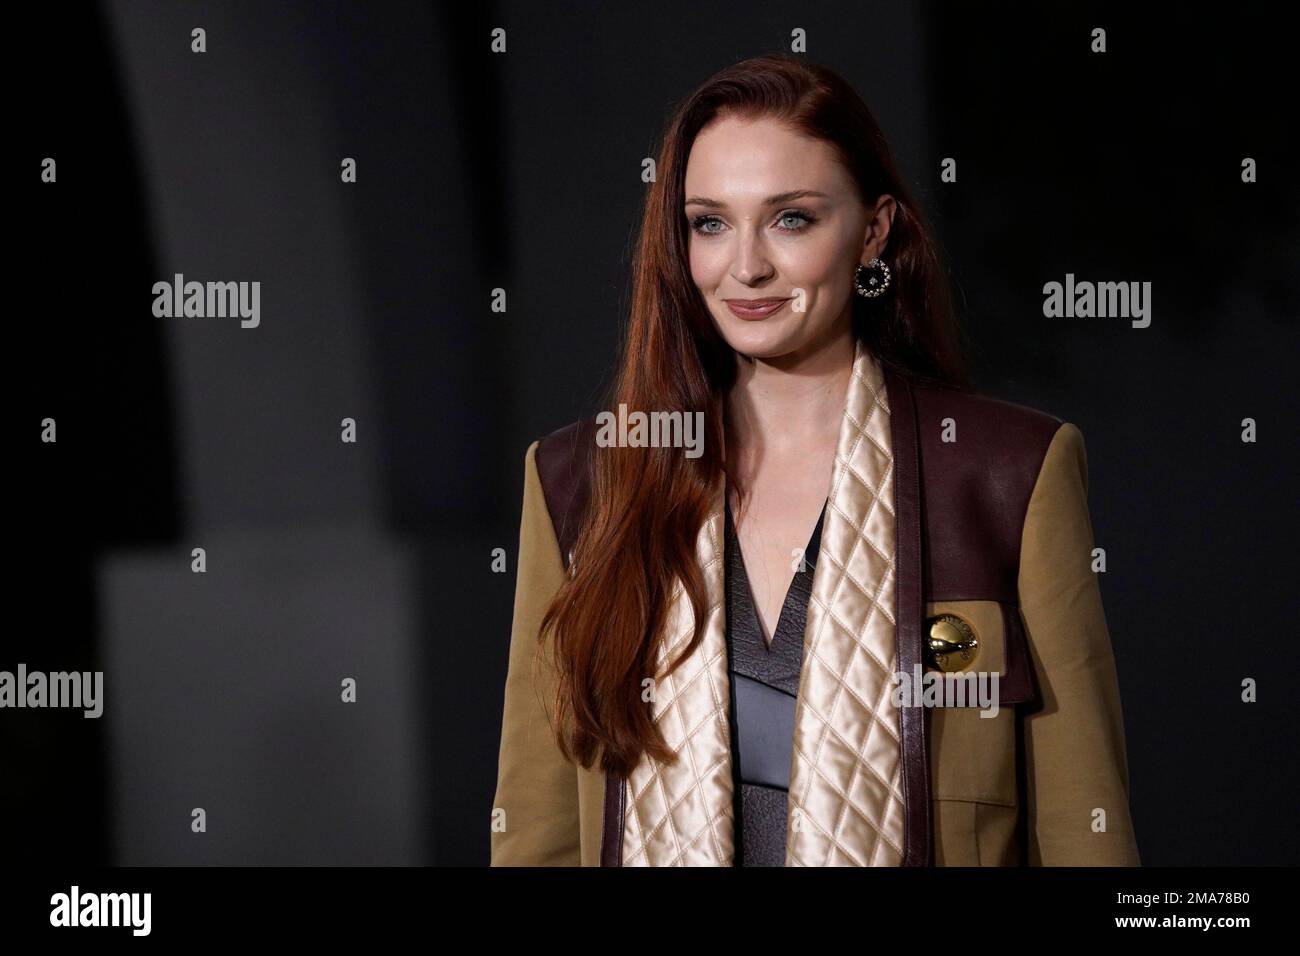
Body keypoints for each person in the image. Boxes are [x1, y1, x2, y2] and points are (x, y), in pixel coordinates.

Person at [490, 53, 1140, 867]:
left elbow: (1087, 832)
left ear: (873, 231)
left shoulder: (1008, 473)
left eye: (791, 218)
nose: (746, 265)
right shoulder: (580, 483)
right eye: (709, 222)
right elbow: (537, 831)